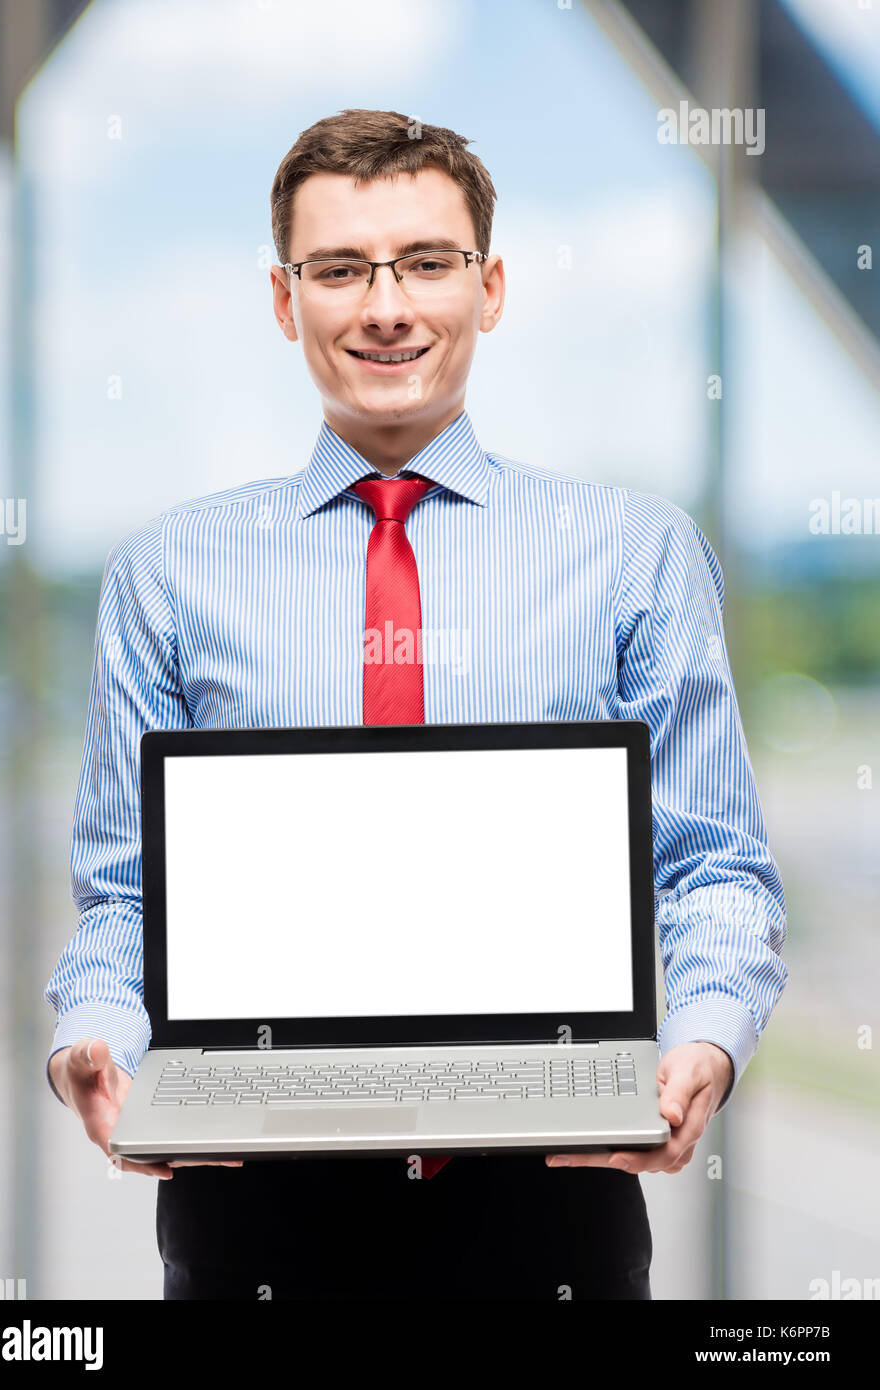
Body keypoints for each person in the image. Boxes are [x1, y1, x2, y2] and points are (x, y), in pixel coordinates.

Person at [44, 108, 788, 1301]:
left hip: (551, 1205)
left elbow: (713, 867)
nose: (385, 305)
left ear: (487, 287)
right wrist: (94, 1040)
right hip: (250, 1217)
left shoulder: (631, 553)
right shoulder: (167, 571)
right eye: (339, 268)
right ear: (285, 301)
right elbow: (125, 892)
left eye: (425, 263)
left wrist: (701, 1038)